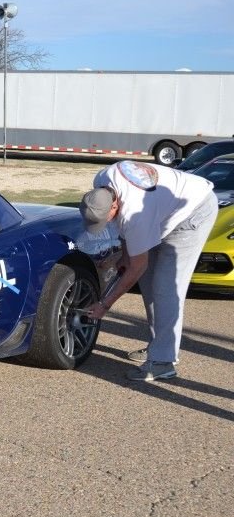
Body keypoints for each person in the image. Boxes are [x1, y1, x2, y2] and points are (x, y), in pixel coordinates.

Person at [80, 160, 218, 381]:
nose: (105, 224)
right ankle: (159, 347)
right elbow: (122, 228)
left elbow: (137, 266)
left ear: (114, 207)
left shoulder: (134, 212)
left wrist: (105, 305)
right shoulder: (101, 180)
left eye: (105, 219)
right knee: (149, 283)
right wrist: (125, 254)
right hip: (161, 210)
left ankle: (163, 362)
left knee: (165, 287)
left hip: (194, 210)